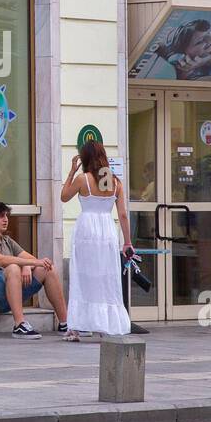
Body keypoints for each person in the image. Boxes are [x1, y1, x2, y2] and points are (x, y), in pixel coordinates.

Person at [59, 140, 132, 340]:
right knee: (106, 276)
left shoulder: (83, 179)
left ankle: (76, 326)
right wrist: (127, 242)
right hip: (107, 229)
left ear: (84, 158)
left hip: (87, 230)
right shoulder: (115, 182)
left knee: (82, 276)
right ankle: (105, 324)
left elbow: (64, 196)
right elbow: (123, 215)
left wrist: (71, 172)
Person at [0, 199, 68, 339]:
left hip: (5, 297)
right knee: (13, 267)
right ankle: (19, 325)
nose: (6, 219)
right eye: (1, 216)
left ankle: (65, 323)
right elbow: (1, 260)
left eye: (6, 215)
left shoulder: (7, 241)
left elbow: (33, 260)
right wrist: (25, 264)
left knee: (47, 268)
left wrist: (27, 265)